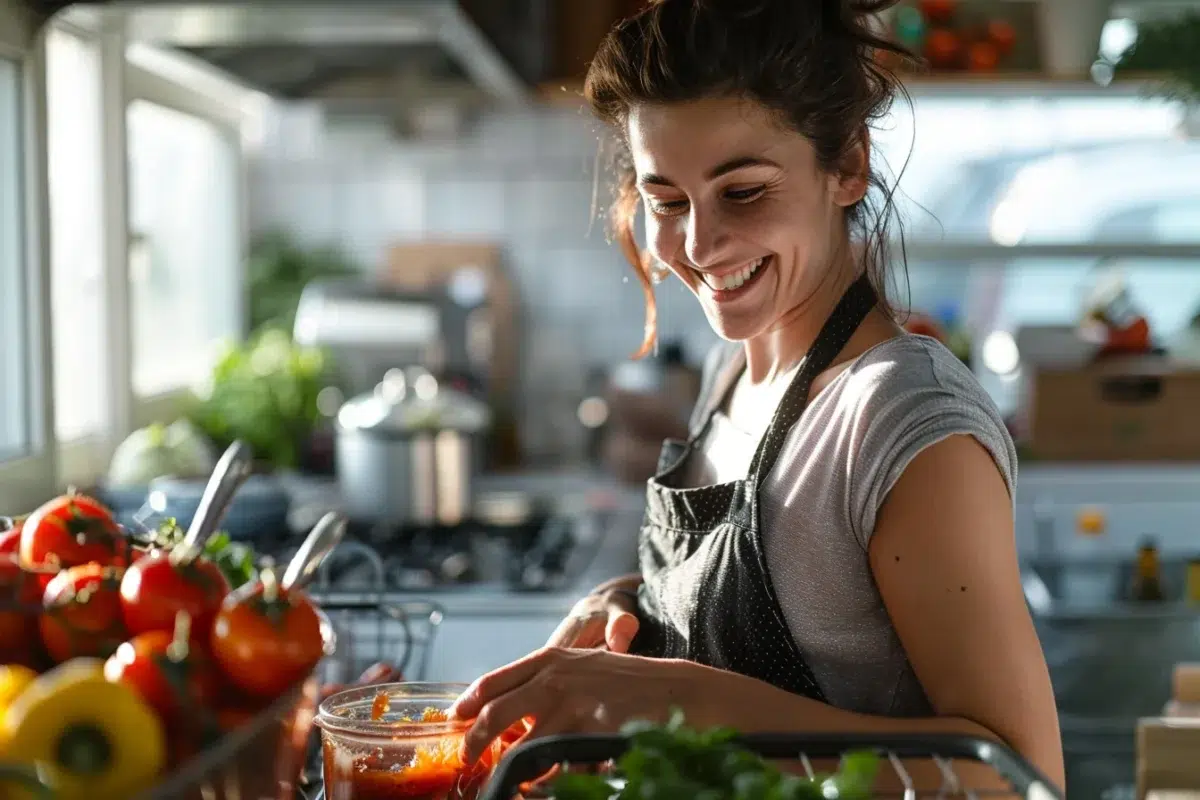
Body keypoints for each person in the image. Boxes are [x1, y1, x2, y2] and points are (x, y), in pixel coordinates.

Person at [450, 0, 1064, 789]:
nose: (698, 246)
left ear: (847, 166)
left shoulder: (905, 422)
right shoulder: (734, 367)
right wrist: (630, 610)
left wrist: (688, 703)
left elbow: (1019, 781)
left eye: (742, 192)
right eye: (667, 201)